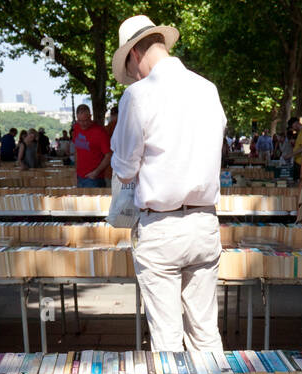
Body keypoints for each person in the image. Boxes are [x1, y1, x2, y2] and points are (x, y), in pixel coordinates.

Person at [109, 14, 226, 355]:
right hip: (204, 222)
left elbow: (125, 169)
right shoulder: (207, 88)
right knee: (206, 334)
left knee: (168, 341)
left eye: (132, 70)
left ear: (133, 55)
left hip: (161, 227)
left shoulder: (138, 96)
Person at [71, 103, 112, 187]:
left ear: (90, 116)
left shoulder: (100, 132)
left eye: (86, 120)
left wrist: (96, 172)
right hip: (79, 177)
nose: (83, 124)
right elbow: (77, 151)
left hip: (94, 179)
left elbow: (109, 155)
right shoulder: (76, 128)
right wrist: (76, 171)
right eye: (80, 121)